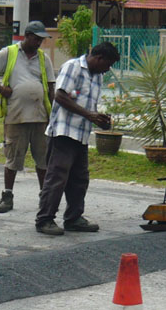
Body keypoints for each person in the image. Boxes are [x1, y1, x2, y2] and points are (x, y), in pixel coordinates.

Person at [35, 41, 121, 236]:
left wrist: (99, 119)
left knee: (80, 179)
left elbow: (88, 107)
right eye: (107, 64)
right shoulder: (72, 67)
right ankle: (45, 220)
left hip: (81, 135)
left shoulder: (97, 77)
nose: (107, 69)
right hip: (63, 133)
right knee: (57, 178)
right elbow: (60, 96)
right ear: (99, 58)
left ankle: (73, 218)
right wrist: (89, 115)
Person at [0, 21, 56, 213]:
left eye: (41, 40)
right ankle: (7, 196)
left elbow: (51, 88)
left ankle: (44, 198)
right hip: (16, 116)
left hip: (40, 117)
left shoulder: (44, 59)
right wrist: (1, 89)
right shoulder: (9, 53)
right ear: (26, 36)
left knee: (43, 160)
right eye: (36, 39)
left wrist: (54, 115)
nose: (39, 43)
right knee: (12, 159)